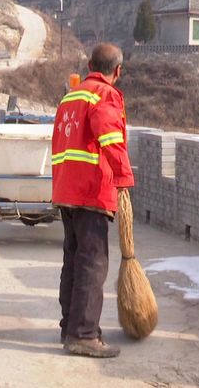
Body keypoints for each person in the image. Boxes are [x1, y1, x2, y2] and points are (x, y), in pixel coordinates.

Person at [52, 43, 134, 357]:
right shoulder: (105, 95)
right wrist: (124, 179)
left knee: (73, 261)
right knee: (92, 263)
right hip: (91, 189)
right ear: (118, 71)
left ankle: (69, 327)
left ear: (89, 65)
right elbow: (111, 138)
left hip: (66, 189)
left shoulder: (71, 96)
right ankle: (84, 334)